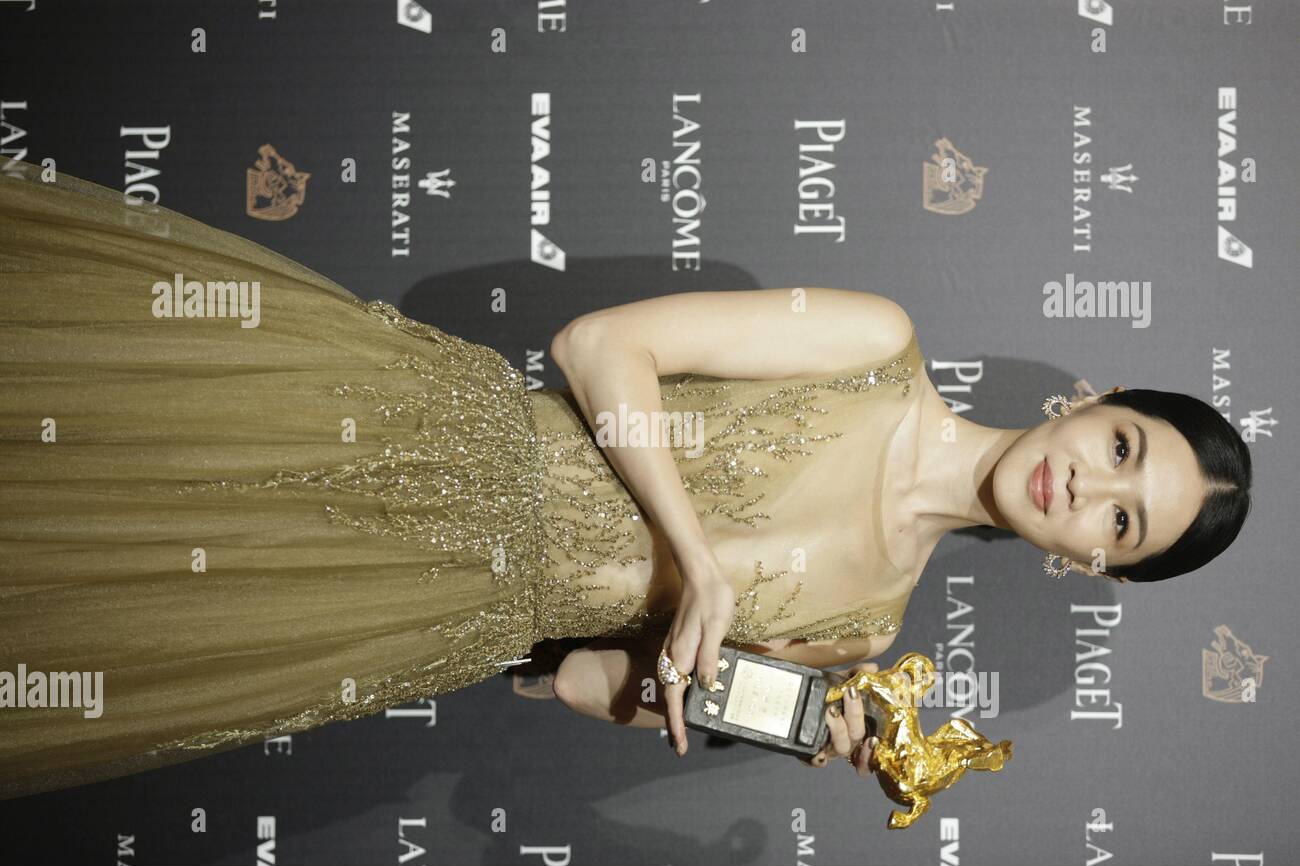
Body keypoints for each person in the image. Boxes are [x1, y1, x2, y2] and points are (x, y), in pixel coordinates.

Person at [0, 160, 1253, 799]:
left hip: (419, 616)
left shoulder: (865, 634)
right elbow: (601, 347)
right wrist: (696, 560)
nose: (1087, 488)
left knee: (89, 600)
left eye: (1121, 524)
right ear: (1087, 403)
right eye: (1122, 448)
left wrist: (717, 709)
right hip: (408, 428)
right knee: (94, 418)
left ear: (1086, 563)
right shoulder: (877, 342)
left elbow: (577, 677)